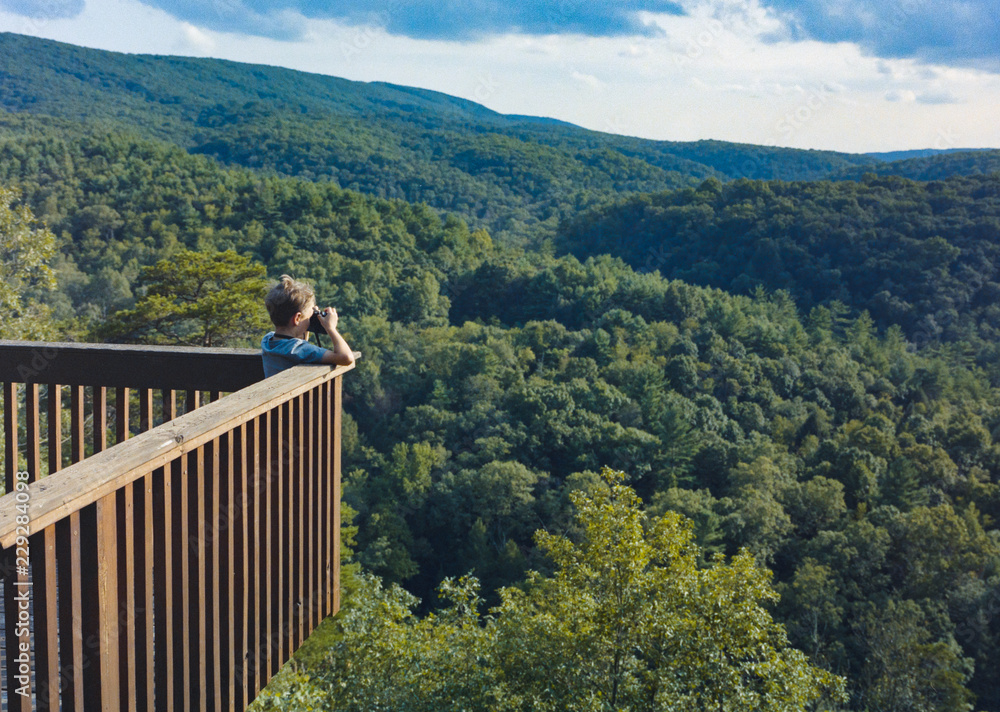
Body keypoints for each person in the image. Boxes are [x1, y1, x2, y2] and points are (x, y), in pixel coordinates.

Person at [261, 274, 355, 377]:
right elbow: (346, 358)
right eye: (309, 317)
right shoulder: (301, 350)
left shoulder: (267, 341)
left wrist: (307, 321)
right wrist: (331, 328)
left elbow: (295, 340)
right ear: (297, 318)